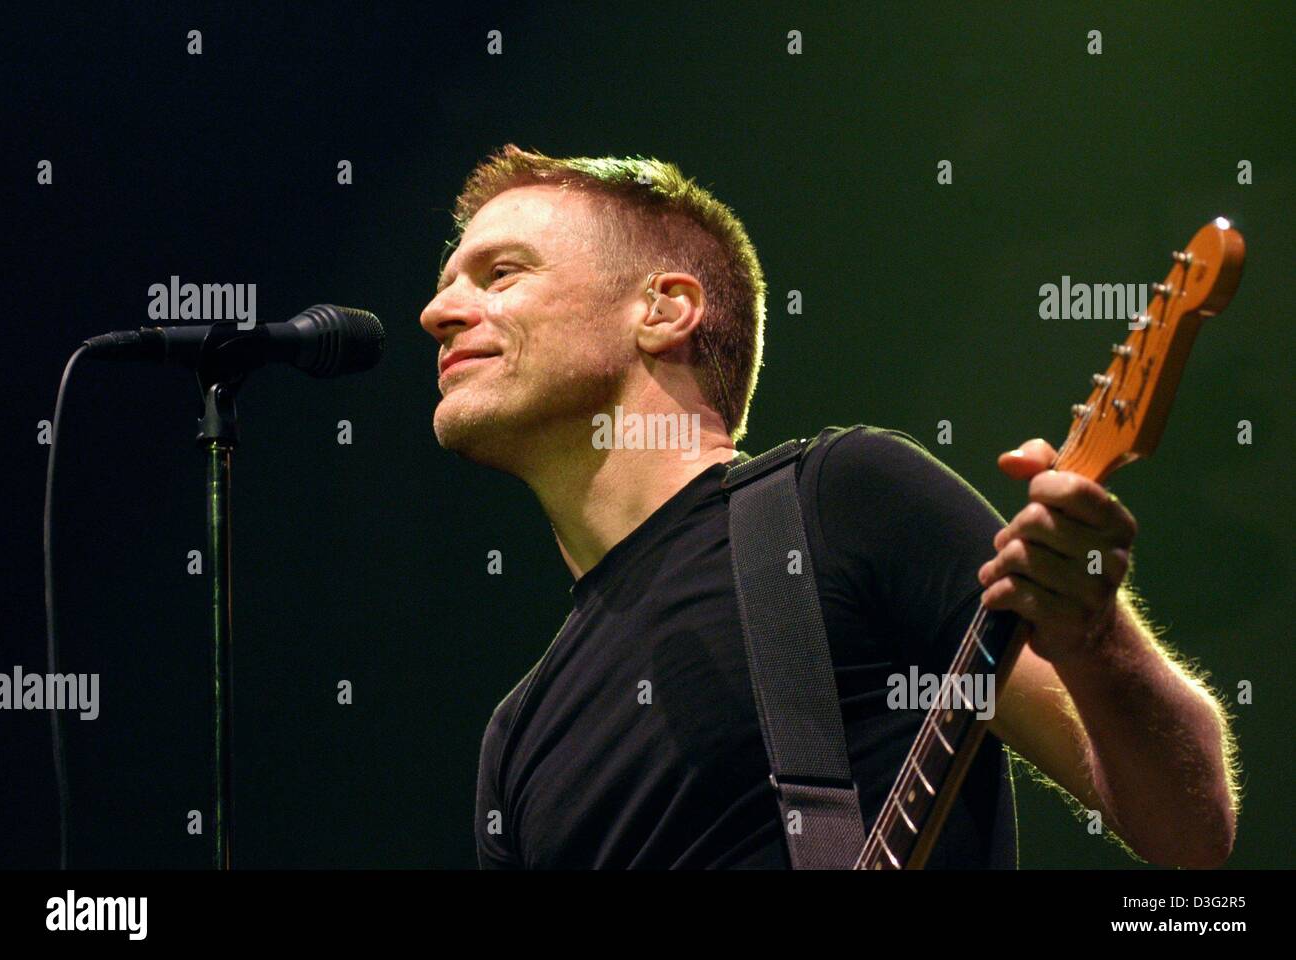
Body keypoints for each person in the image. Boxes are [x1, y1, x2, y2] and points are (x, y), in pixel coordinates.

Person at [420, 144, 1238, 869]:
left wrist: (1094, 639)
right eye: (446, 284)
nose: (437, 314)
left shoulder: (844, 500)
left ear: (663, 310)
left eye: (502, 273)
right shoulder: (517, 738)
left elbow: (1188, 833)